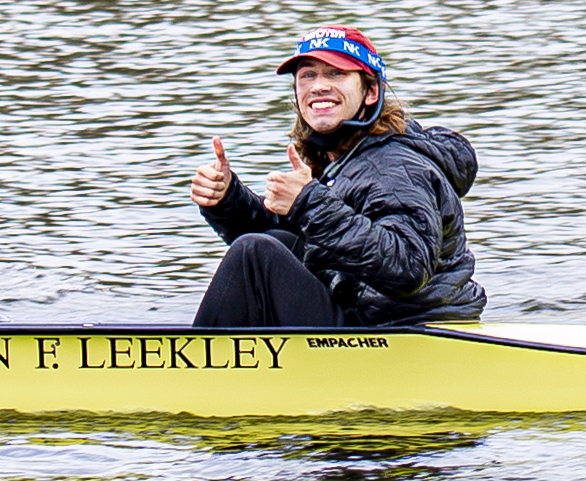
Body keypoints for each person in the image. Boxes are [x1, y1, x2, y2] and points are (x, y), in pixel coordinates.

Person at [188, 26, 485, 329]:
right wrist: (227, 199)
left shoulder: (394, 165)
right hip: (368, 319)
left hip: (406, 332)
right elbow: (315, 237)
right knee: (275, 242)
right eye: (308, 75)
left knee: (253, 253)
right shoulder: (344, 158)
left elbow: (408, 267)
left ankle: (192, 366)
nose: (318, 86)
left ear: (370, 92)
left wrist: (307, 203)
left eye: (335, 73)